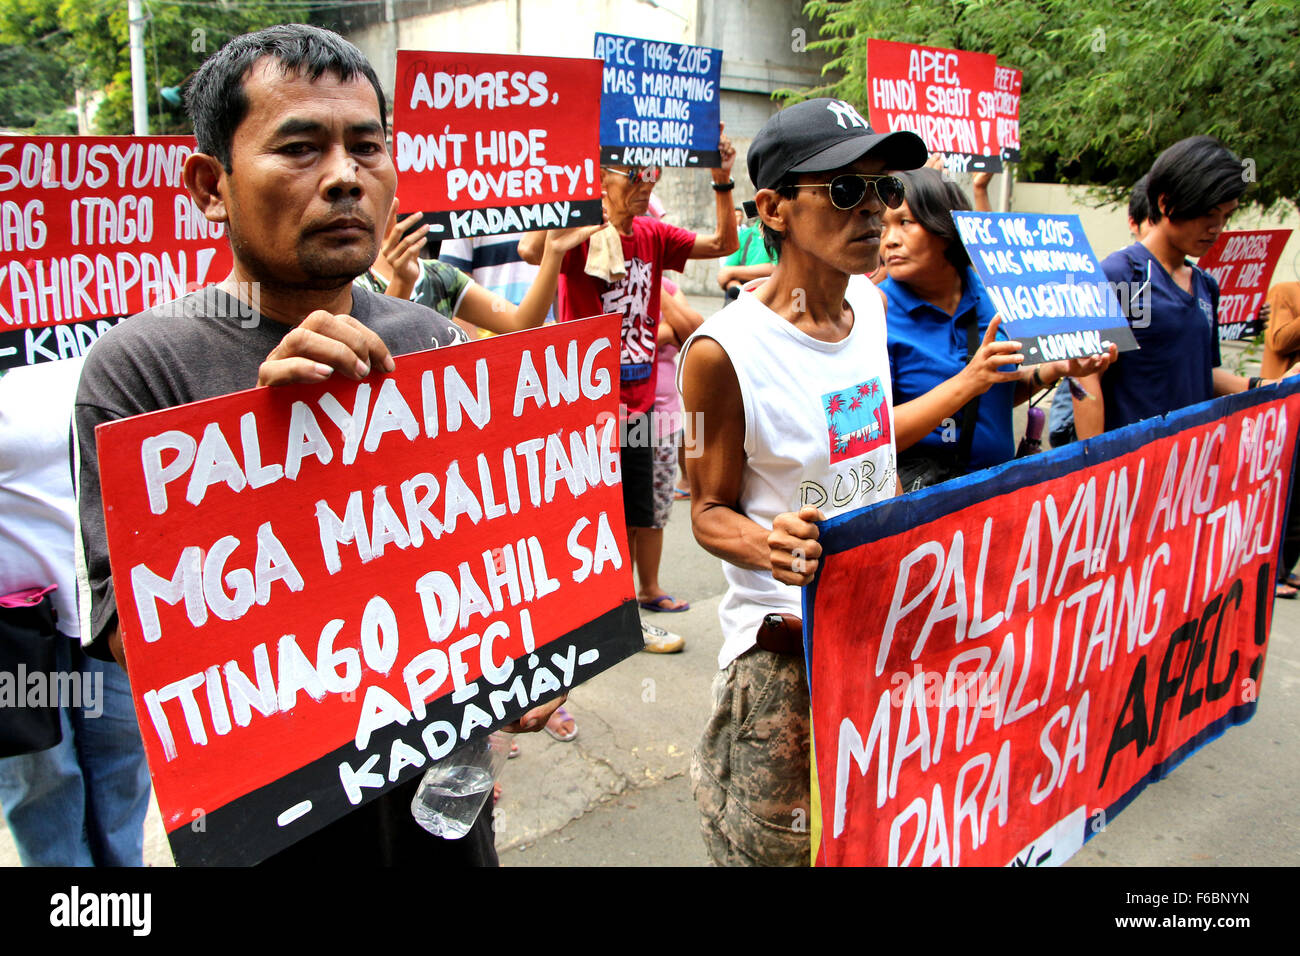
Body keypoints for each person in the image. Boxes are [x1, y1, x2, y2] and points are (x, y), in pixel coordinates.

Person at [71, 24, 563, 867]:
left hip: (440, 820)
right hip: (267, 835)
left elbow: (487, 556)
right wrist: (264, 458)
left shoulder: (436, 344)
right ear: (209, 184)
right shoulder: (139, 369)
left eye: (366, 146)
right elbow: (134, 643)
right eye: (300, 148)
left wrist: (523, 659)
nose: (344, 177)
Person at [679, 97, 926, 865]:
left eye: (885, 189)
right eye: (846, 191)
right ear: (774, 208)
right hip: (783, 658)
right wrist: (770, 546)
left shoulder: (873, 308)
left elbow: (869, 446)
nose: (876, 212)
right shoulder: (718, 355)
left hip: (880, 631)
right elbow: (707, 510)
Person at [519, 129, 739, 652]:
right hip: (587, 407)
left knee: (639, 512)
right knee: (592, 515)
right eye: (634, 176)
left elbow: (724, 245)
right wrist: (566, 205)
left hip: (641, 406)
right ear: (601, 180)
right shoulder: (579, 233)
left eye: (651, 176)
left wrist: (723, 182)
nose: (645, 185)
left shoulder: (652, 235)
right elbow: (530, 250)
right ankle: (580, 620)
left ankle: (630, 613)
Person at [0, 358, 152, 866]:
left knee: (122, 766)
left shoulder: (129, 344)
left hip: (112, 601)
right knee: (40, 779)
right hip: (13, 621)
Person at [879, 168, 1113, 488]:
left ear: (944, 225)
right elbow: (872, 440)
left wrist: (1054, 368)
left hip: (998, 501)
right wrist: (968, 381)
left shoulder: (997, 299)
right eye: (882, 226)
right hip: (923, 510)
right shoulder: (875, 313)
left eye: (905, 222)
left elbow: (993, 398)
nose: (889, 240)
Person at [1072, 136, 1256, 438]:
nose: (1217, 228)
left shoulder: (1205, 285)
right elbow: (1084, 378)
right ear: (1165, 202)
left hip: (1190, 466)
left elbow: (1199, 373)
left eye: (1226, 216)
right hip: (1130, 470)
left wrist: (1266, 386)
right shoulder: (1122, 275)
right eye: (1208, 213)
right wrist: (1095, 466)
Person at [1049, 175, 1153, 447]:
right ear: (1134, 222)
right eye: (1153, 221)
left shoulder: (1199, 281)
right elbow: (1083, 375)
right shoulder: (1117, 273)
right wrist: (1092, 459)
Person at [717, 205, 776, 301]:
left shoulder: (784, 237)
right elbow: (724, 274)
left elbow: (777, 269)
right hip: (742, 298)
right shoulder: (745, 235)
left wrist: (732, 272)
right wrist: (741, 290)